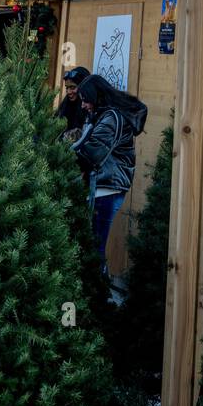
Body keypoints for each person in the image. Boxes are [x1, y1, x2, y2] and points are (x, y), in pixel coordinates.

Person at [73, 74, 148, 265]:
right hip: (103, 188)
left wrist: (65, 154)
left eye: (85, 100)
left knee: (94, 249)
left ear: (96, 97)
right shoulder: (104, 115)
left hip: (106, 189)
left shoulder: (111, 118)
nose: (83, 105)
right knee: (91, 247)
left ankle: (97, 292)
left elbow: (92, 154)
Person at [56, 65, 90, 138]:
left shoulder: (90, 109)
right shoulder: (65, 107)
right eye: (67, 88)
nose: (68, 92)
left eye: (72, 87)